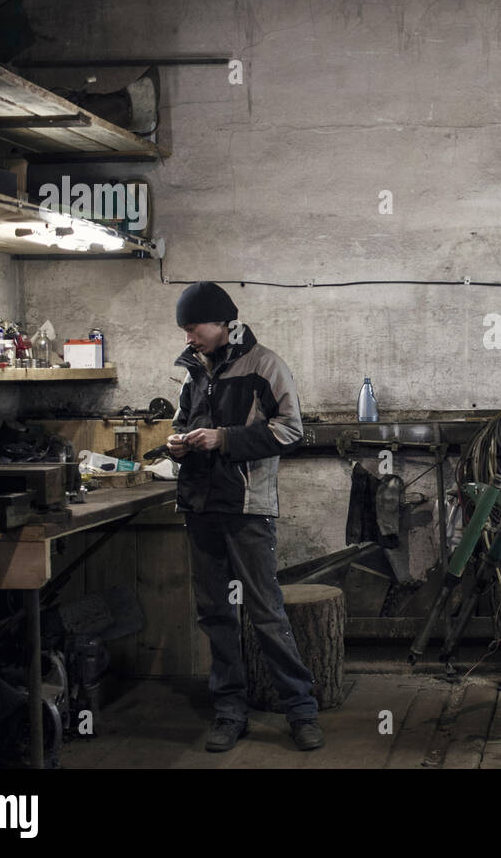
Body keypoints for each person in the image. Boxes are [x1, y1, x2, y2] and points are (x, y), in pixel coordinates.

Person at [166, 281, 323, 753]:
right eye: (186, 329)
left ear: (222, 323)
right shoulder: (193, 371)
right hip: (200, 506)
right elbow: (180, 423)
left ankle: (301, 711)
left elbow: (292, 430)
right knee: (215, 614)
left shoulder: (265, 366)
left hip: (247, 508)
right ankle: (230, 711)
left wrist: (225, 439)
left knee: (266, 613)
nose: (188, 337)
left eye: (194, 327)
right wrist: (177, 442)